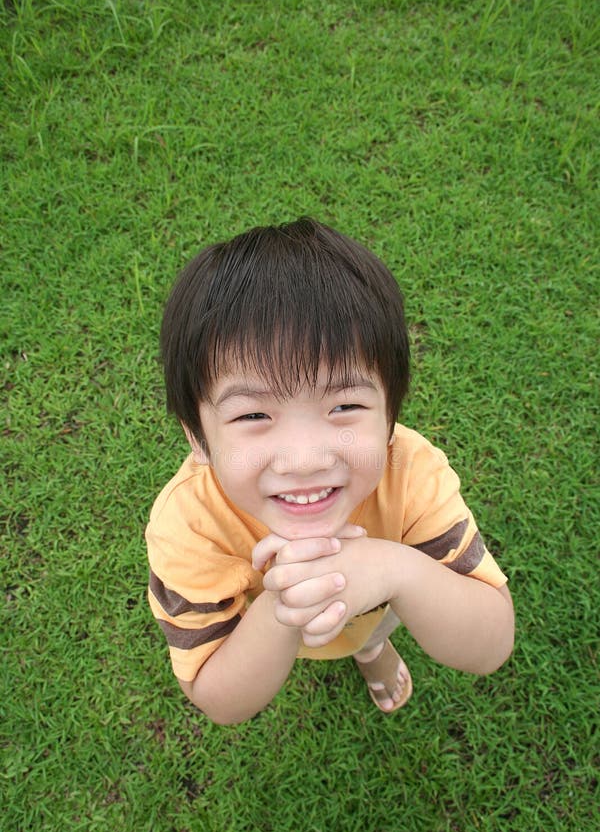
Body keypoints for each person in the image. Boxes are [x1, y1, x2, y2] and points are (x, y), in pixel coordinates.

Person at [146, 217, 514, 725]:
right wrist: (282, 609)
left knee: (371, 629)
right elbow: (219, 699)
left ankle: (369, 652)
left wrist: (393, 569)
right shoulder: (189, 525)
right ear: (198, 437)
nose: (305, 460)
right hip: (264, 642)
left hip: (377, 609)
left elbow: (492, 643)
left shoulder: (409, 472)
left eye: (344, 407)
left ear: (390, 418)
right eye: (253, 415)